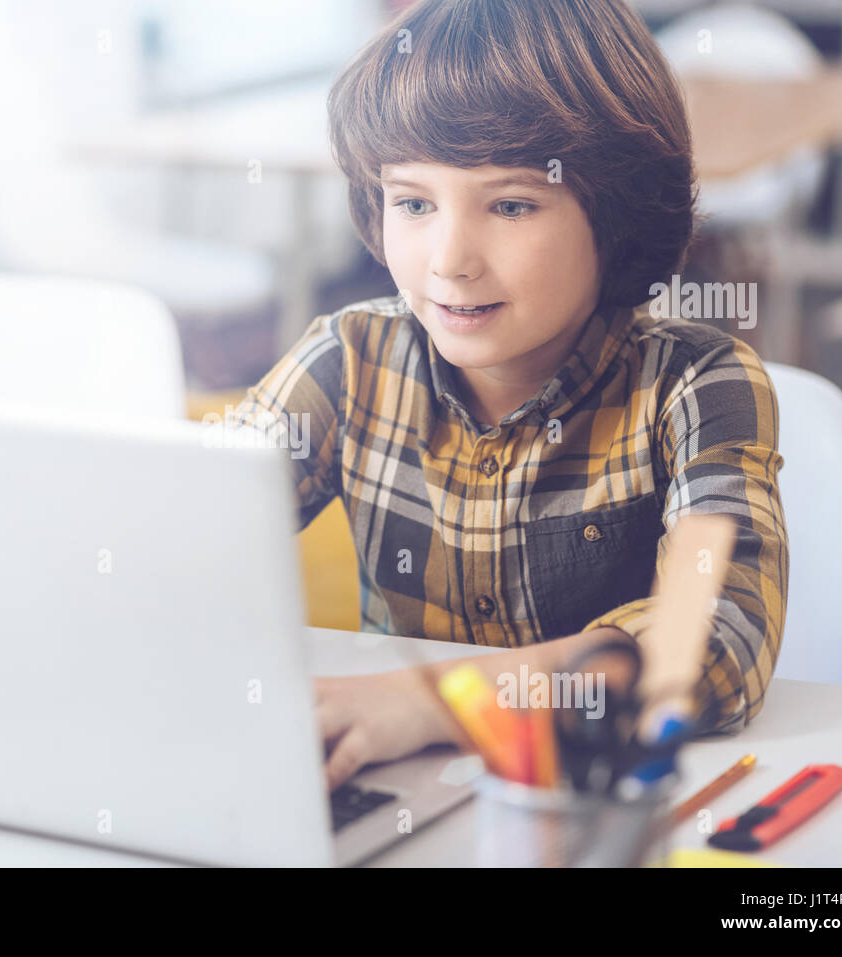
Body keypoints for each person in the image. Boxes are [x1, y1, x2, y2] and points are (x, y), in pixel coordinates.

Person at [227, 0, 788, 791]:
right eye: (413, 203)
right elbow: (186, 536)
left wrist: (438, 701)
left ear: (617, 215)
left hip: (607, 809)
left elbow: (716, 641)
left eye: (512, 205)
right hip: (406, 787)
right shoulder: (347, 360)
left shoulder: (697, 384)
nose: (450, 260)